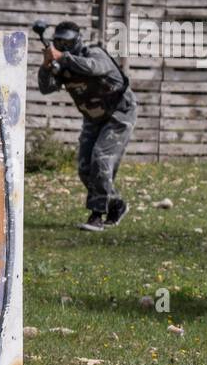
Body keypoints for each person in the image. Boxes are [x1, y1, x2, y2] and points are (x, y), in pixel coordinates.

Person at [37, 20, 136, 232]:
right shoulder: (63, 63)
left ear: (77, 41)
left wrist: (63, 57)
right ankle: (116, 204)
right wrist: (46, 67)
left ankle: (97, 216)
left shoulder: (94, 53)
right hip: (93, 117)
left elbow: (94, 68)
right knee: (84, 168)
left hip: (119, 113)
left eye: (67, 42)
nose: (63, 46)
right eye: (59, 43)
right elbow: (46, 89)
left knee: (101, 159)